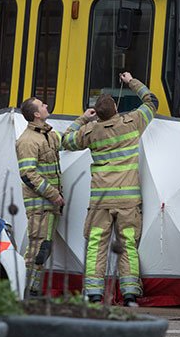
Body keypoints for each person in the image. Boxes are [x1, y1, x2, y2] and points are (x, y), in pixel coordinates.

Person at [62, 72, 158, 306]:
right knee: (128, 244)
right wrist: (130, 81)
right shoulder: (132, 122)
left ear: (98, 113)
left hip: (100, 201)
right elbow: (151, 102)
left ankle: (94, 294)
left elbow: (65, 140)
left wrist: (84, 119)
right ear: (116, 107)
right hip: (128, 200)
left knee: (96, 244)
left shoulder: (91, 131)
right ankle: (129, 294)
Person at [16, 96, 66, 297]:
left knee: (43, 247)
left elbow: (65, 140)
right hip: (39, 204)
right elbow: (28, 174)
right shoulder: (27, 141)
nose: (46, 105)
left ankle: (33, 290)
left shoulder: (48, 134)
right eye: (42, 105)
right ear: (36, 114)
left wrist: (85, 120)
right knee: (37, 247)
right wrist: (54, 194)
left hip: (49, 204)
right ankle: (27, 291)